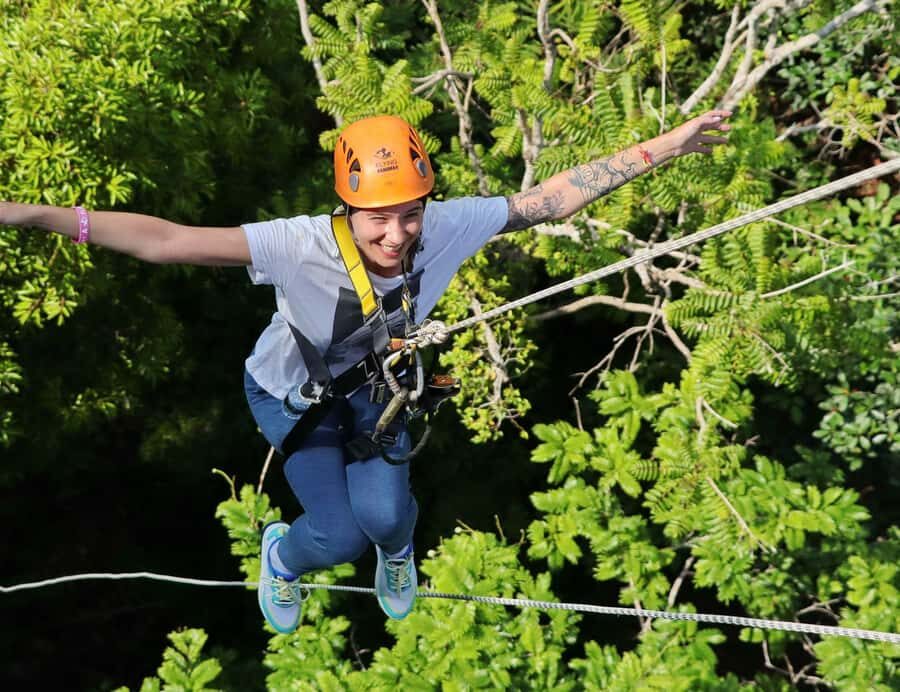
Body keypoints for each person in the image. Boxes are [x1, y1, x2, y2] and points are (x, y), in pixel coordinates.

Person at [0, 110, 731, 633]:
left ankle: (398, 551)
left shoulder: (447, 226)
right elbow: (167, 241)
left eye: (409, 215)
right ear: (346, 206)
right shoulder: (294, 245)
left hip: (378, 393)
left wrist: (672, 145)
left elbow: (554, 196)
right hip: (293, 397)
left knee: (387, 522)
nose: (396, 234)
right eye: (377, 218)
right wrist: (36, 215)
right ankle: (283, 558)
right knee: (339, 536)